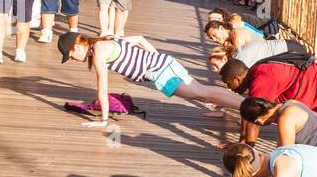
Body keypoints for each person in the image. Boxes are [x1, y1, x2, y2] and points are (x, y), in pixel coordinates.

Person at [58, 30, 245, 124]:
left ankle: (246, 108)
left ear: (78, 46)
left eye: (71, 55)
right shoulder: (105, 39)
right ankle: (244, 103)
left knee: (204, 95)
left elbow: (103, 89)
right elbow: (139, 39)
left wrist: (104, 121)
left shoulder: (98, 52)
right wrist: (156, 58)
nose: (73, 59)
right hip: (165, 64)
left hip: (161, 73)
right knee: (203, 93)